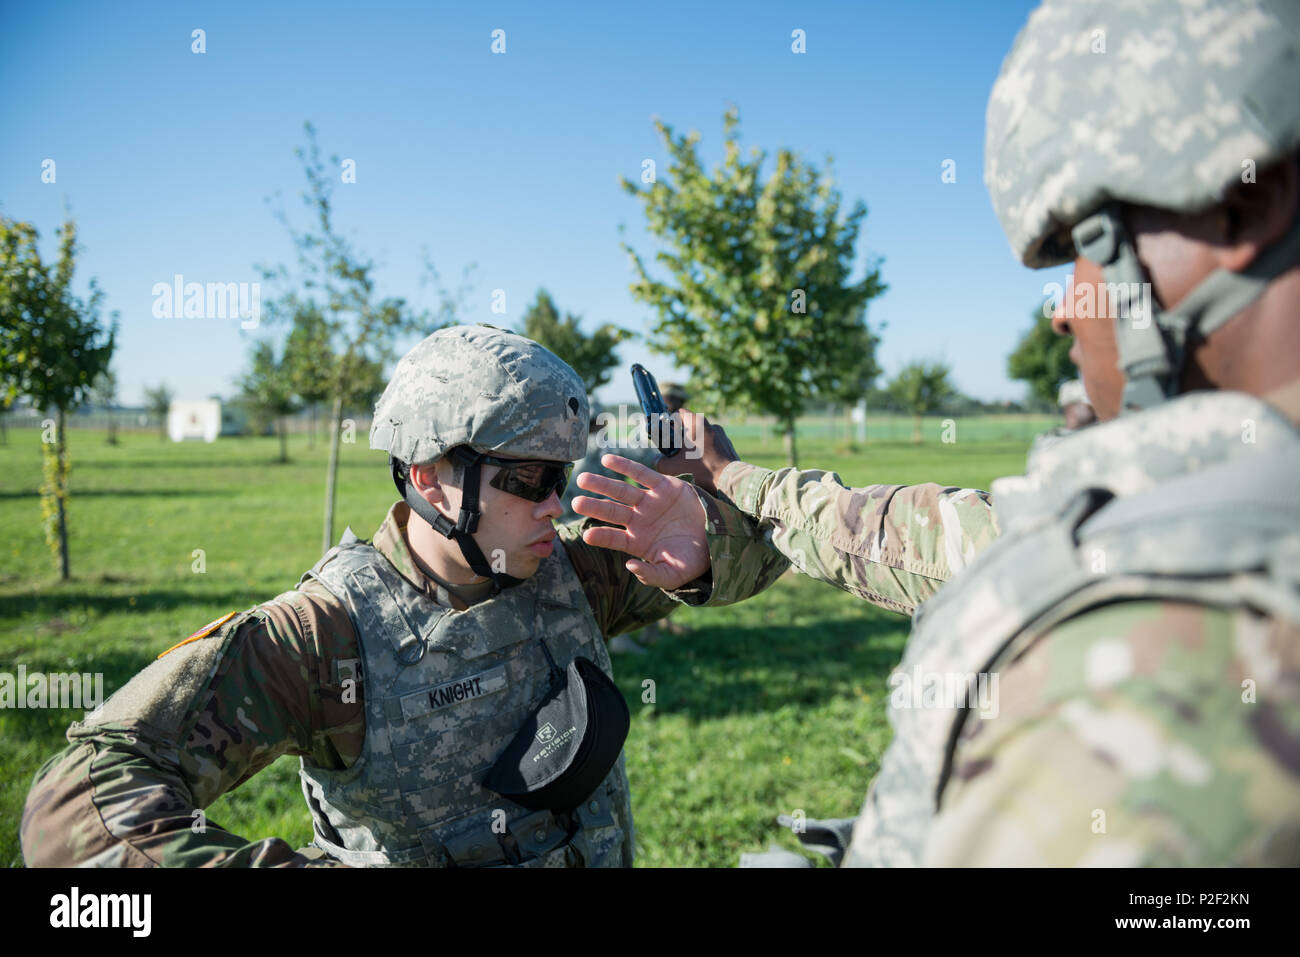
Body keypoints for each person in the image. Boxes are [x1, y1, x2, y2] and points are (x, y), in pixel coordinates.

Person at [577, 0, 1300, 866]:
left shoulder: (1158, 642)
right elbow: (942, 539)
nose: (1068, 310)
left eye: (1084, 247)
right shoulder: (1187, 521)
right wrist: (733, 484)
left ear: (1235, 207)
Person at [20, 325, 789, 868]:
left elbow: (773, 554)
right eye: (528, 478)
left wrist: (712, 511)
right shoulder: (324, 636)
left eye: (564, 475)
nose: (556, 503)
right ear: (428, 477)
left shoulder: (573, 570)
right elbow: (72, 806)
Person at [1026, 379, 1097, 467]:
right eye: (1090, 406)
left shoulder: (1099, 436)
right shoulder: (1049, 443)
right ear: (1069, 408)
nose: (1096, 411)